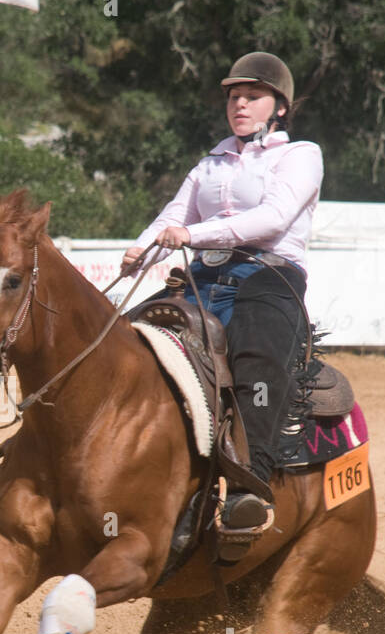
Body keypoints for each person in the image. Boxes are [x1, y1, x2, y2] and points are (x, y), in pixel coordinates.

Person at [121, 51, 322, 546]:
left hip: (269, 276)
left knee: (257, 358)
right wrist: (139, 251)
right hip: (202, 278)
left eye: (253, 96)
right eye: (234, 97)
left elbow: (273, 219)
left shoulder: (300, 156)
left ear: (279, 107)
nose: (240, 104)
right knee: (127, 346)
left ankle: (248, 484)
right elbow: (173, 214)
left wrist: (191, 236)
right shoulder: (210, 162)